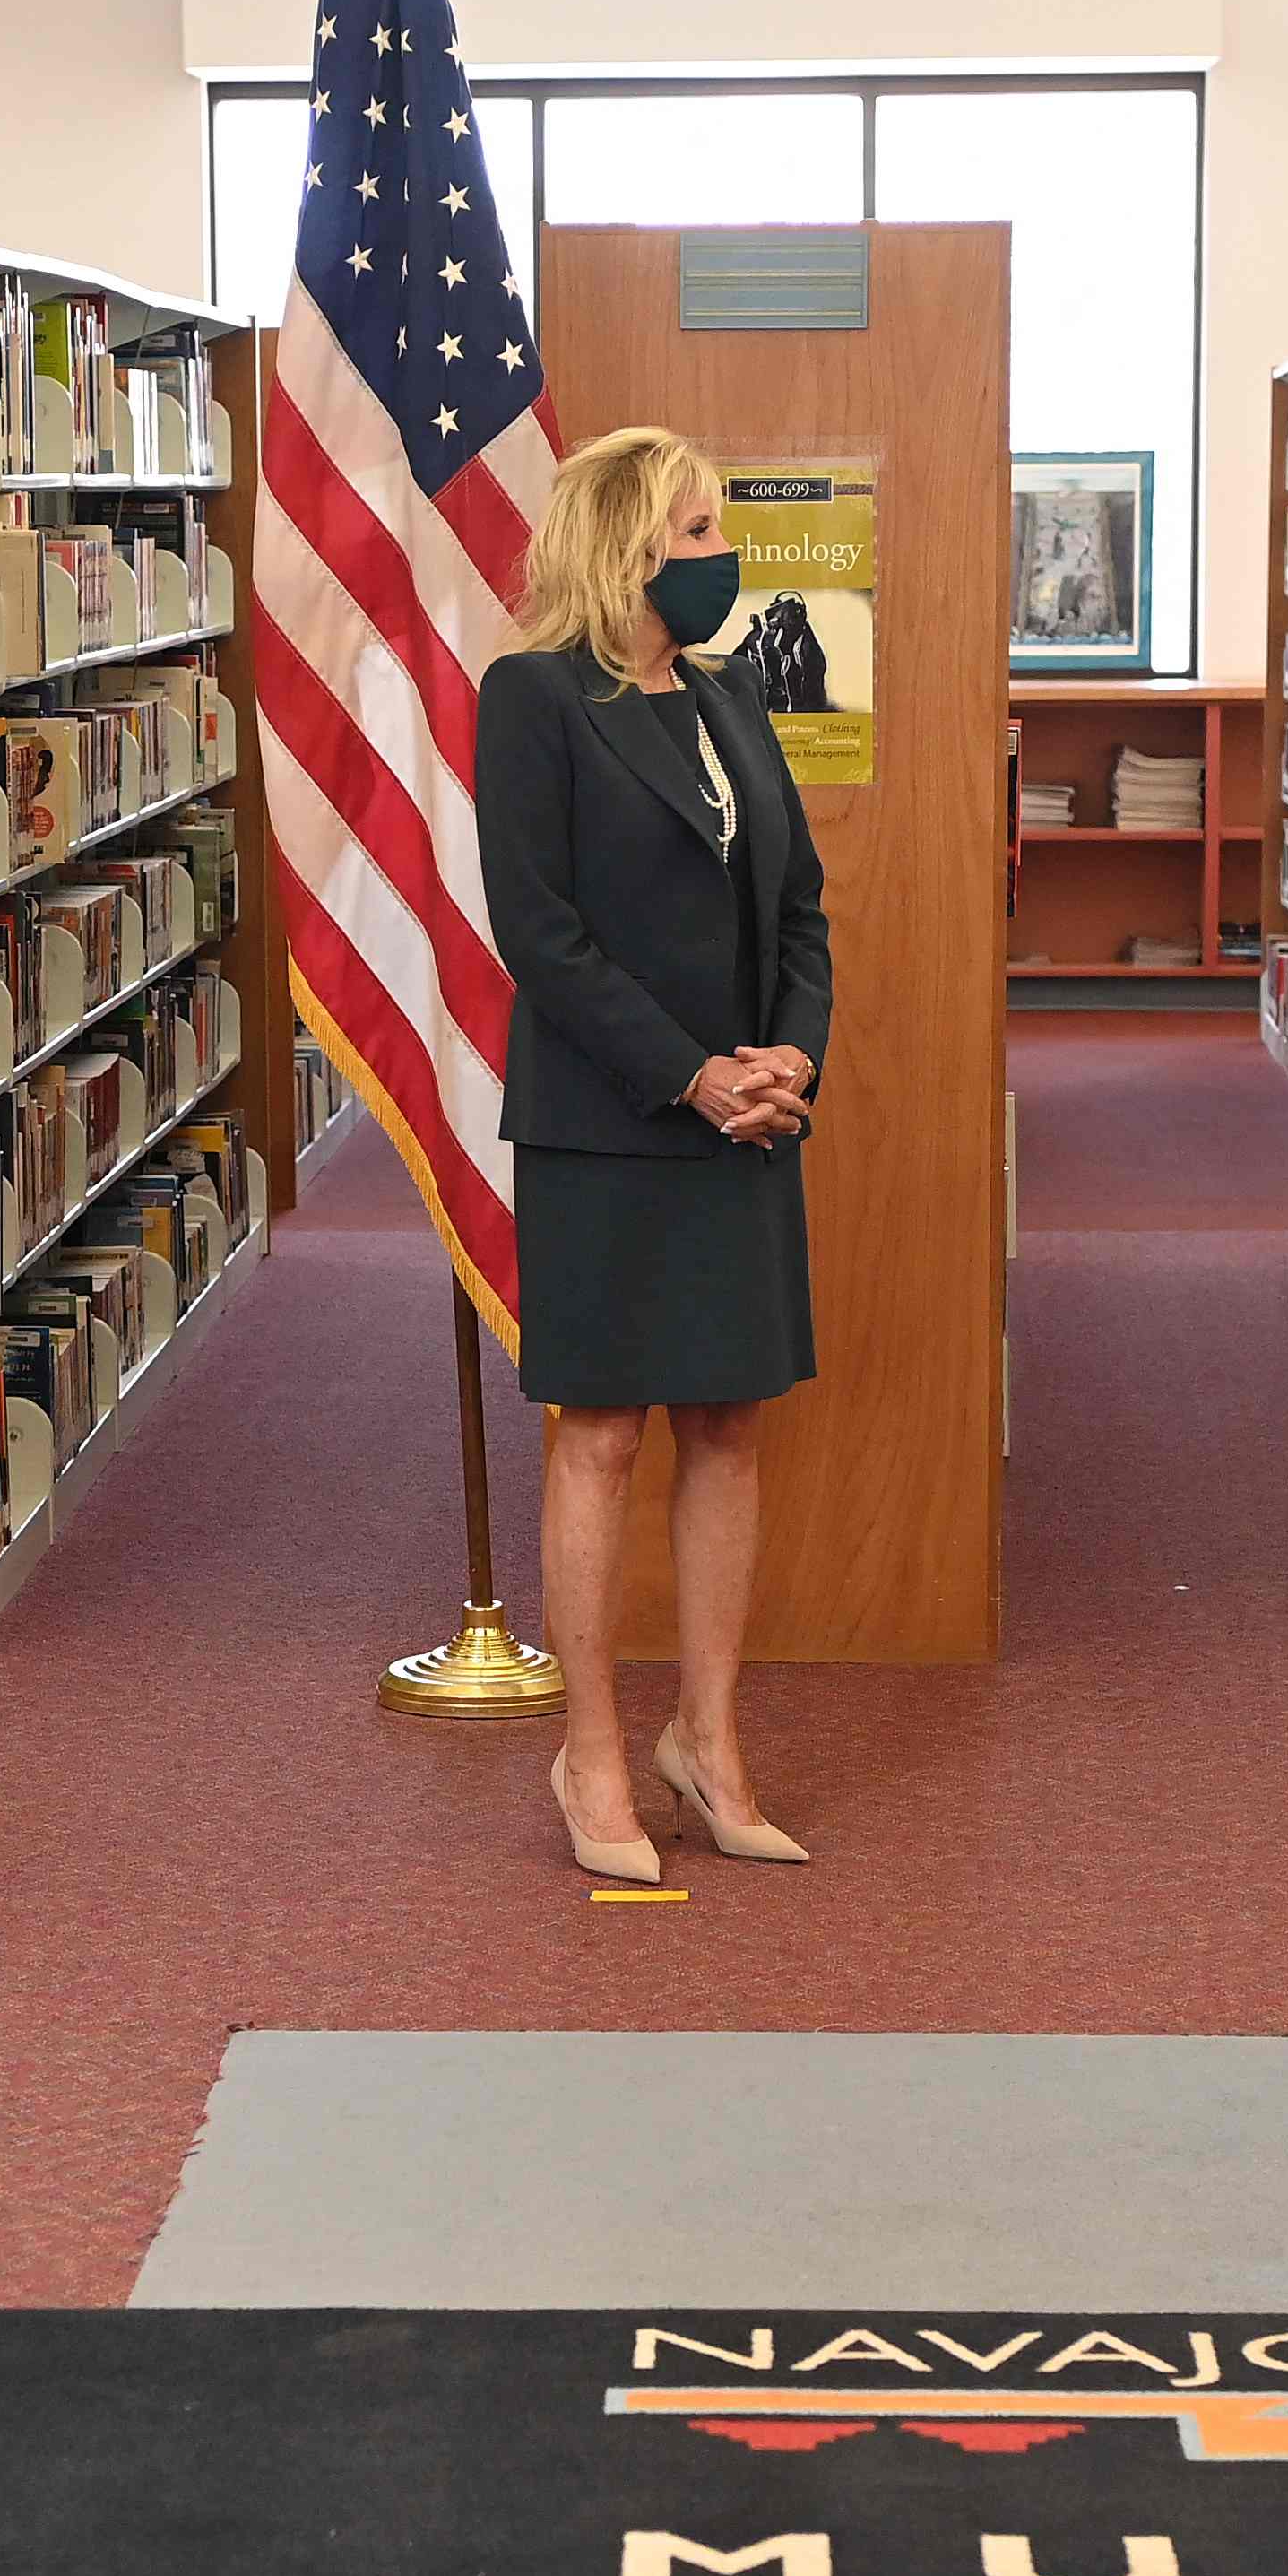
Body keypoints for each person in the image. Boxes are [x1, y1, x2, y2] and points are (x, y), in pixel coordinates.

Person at [475, 424, 834, 1884]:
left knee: (731, 1426)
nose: (719, 558)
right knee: (605, 1434)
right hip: (609, 1121)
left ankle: (710, 1738)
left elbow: (798, 904)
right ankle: (595, 1754)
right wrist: (691, 1076)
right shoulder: (534, 699)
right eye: (696, 533)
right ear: (625, 547)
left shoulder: (735, 691)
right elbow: (538, 933)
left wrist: (792, 1055)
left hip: (748, 1117)